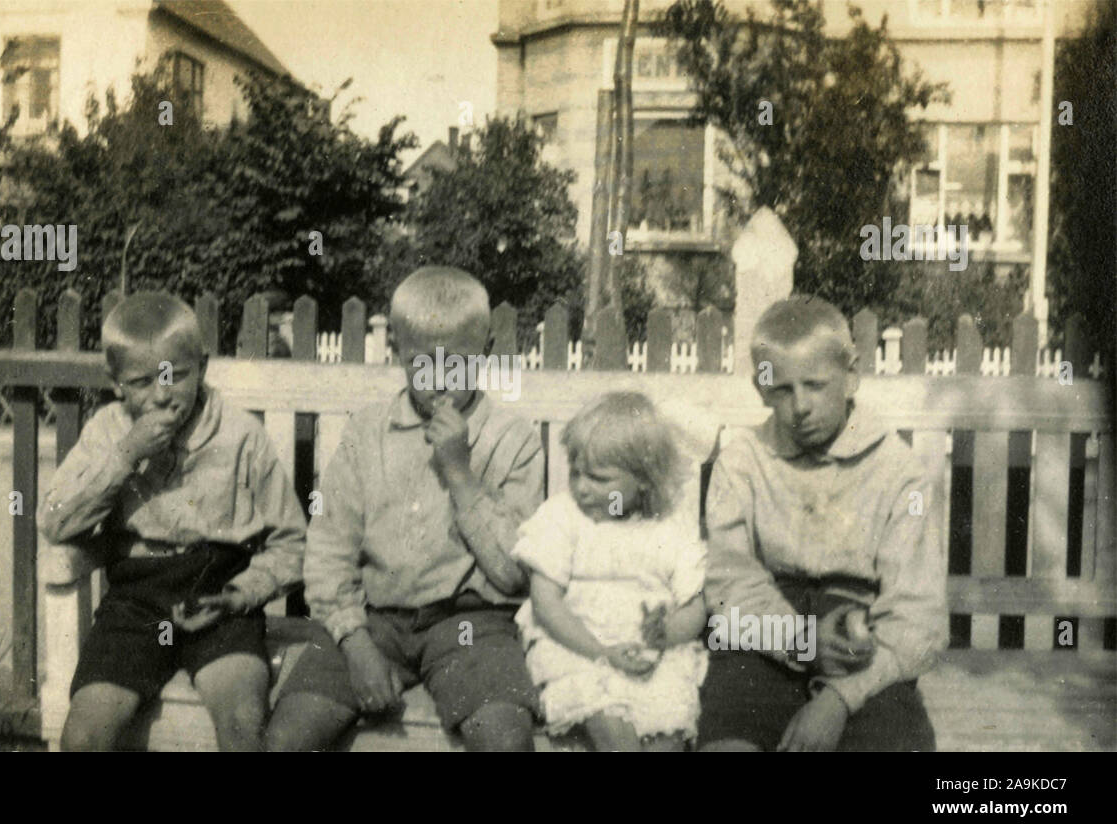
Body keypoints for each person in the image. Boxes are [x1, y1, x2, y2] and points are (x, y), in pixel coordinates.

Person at [265, 266, 544, 751]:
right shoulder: (365, 433)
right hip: (372, 620)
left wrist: (460, 475)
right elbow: (329, 553)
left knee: (504, 737)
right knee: (288, 737)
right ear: (395, 350)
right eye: (422, 364)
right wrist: (355, 645)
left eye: (455, 365)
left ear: (489, 351)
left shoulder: (512, 439)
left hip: (471, 624)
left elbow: (514, 575)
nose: (439, 383)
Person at [39, 291, 306, 751]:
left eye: (176, 376)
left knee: (243, 721)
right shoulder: (108, 431)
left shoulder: (241, 435)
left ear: (202, 366)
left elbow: (291, 543)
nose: (162, 394)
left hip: (220, 595)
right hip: (136, 601)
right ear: (116, 382)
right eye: (142, 382)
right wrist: (126, 454)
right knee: (84, 735)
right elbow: (56, 521)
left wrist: (242, 595)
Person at [698, 295, 947, 751]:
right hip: (760, 637)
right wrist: (799, 640)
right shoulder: (742, 462)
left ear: (851, 377)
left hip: (863, 650)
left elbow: (918, 617)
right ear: (760, 387)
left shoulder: (899, 472)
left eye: (815, 385)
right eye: (782, 390)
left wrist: (837, 700)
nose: (800, 406)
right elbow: (727, 584)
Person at [514, 392, 709, 751]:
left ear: (644, 480)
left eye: (599, 479)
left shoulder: (668, 527)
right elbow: (546, 603)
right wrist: (601, 650)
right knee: (603, 710)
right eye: (575, 472)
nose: (582, 488)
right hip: (577, 642)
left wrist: (667, 632)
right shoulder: (562, 517)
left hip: (650, 651)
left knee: (668, 718)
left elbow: (694, 605)